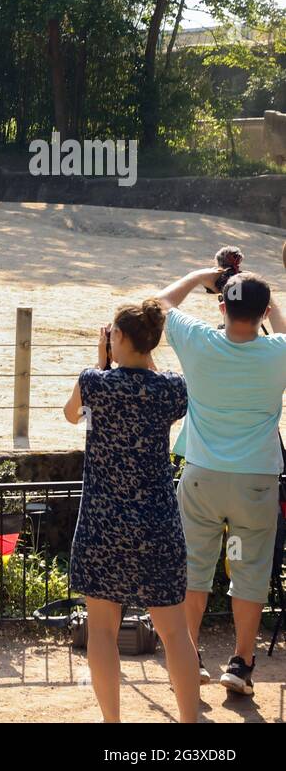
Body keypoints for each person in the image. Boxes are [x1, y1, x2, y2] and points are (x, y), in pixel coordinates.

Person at [62, 300, 199, 722]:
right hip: (157, 522)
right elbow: (157, 383)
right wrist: (140, 352)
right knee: (175, 632)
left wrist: (100, 362)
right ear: (152, 341)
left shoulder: (94, 384)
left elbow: (71, 415)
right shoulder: (171, 389)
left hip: (103, 523)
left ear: (116, 337)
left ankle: (112, 723)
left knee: (101, 630)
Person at [155, 267, 286, 696]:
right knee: (248, 572)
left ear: (222, 306)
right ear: (263, 311)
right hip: (255, 482)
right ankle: (241, 662)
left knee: (194, 569)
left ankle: (188, 657)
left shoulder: (199, 342)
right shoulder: (276, 352)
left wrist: (199, 274)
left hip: (201, 477)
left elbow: (159, 304)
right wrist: (271, 304)